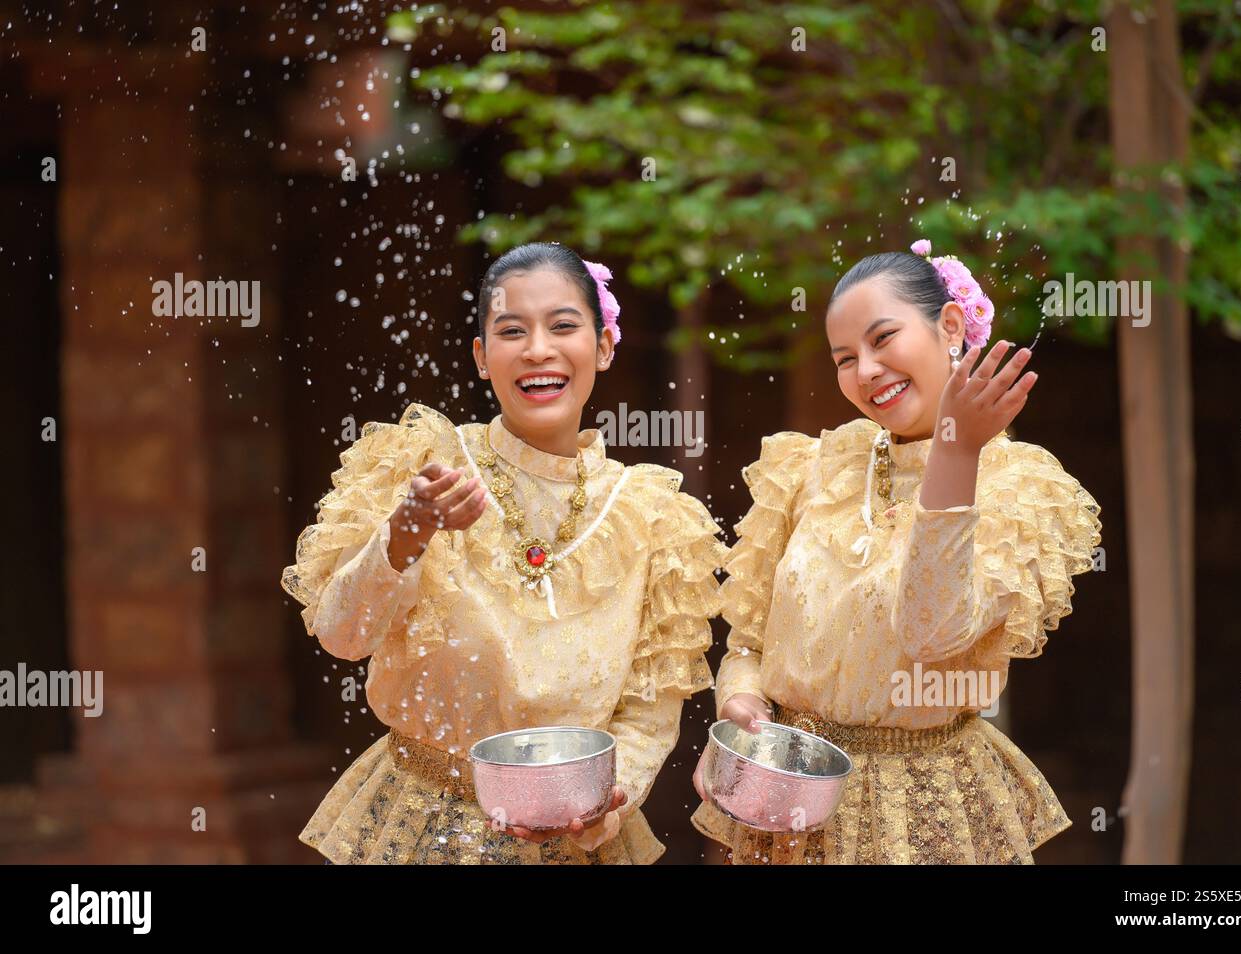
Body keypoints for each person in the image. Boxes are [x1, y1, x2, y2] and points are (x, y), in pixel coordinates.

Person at [284, 242, 725, 863]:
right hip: (420, 829)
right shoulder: (423, 466)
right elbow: (341, 635)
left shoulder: (654, 516)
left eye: (564, 326)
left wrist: (605, 803)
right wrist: (409, 529)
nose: (538, 348)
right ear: (482, 358)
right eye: (511, 331)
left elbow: (648, 714)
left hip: (576, 840)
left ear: (603, 346)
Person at [691, 239, 1102, 864]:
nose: (866, 371)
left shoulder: (1022, 488)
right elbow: (748, 640)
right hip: (789, 803)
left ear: (951, 327)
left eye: (883, 339)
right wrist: (740, 699)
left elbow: (932, 633)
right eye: (844, 357)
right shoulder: (811, 466)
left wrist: (956, 451)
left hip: (928, 809)